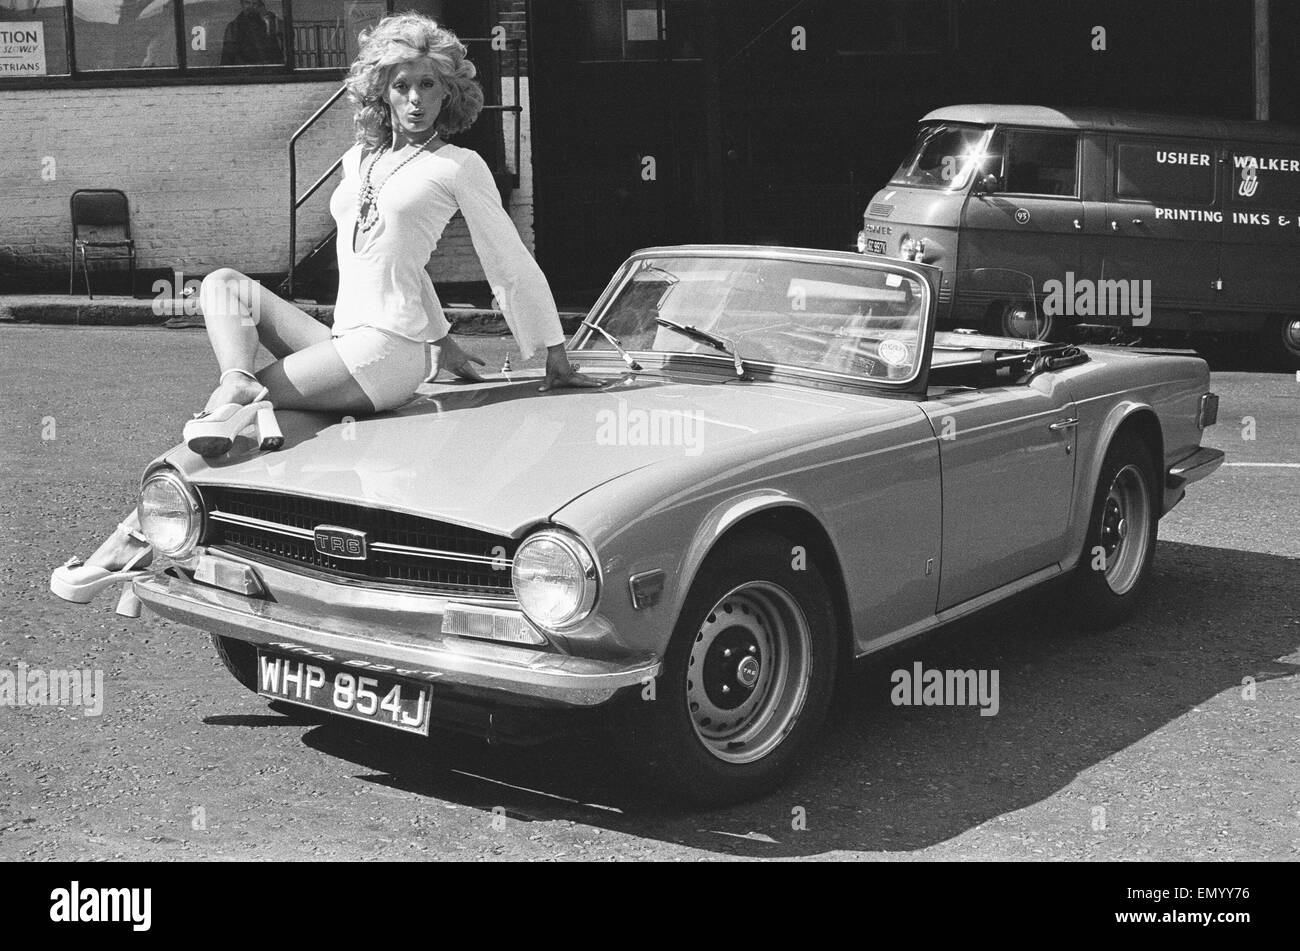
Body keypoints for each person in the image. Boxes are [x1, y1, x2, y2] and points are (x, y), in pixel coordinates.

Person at [52, 12, 601, 604]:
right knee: (226, 287)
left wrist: (550, 348)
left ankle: (141, 525)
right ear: (379, 90)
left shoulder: (458, 167)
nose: (416, 100)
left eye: (430, 85)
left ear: (451, 92)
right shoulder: (356, 159)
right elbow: (401, 268)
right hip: (343, 342)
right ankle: (156, 518)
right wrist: (447, 339)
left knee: (240, 417)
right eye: (402, 84)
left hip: (389, 353)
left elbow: (509, 261)